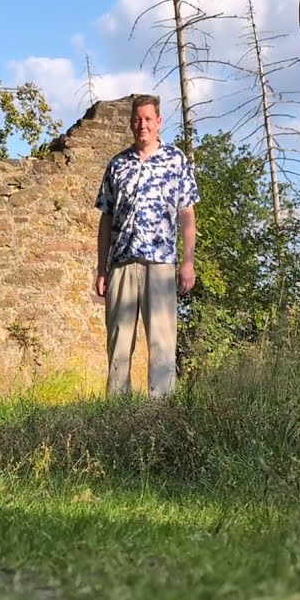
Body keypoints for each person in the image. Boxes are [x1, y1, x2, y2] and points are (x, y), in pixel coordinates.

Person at [93, 94, 198, 397]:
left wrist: (187, 262)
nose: (142, 125)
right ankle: (117, 414)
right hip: (122, 263)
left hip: (161, 262)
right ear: (130, 123)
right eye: (137, 120)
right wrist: (102, 268)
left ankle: (161, 413)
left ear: (158, 122)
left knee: (162, 344)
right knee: (119, 345)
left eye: (148, 119)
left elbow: (187, 213)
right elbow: (106, 219)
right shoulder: (117, 165)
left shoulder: (175, 160)